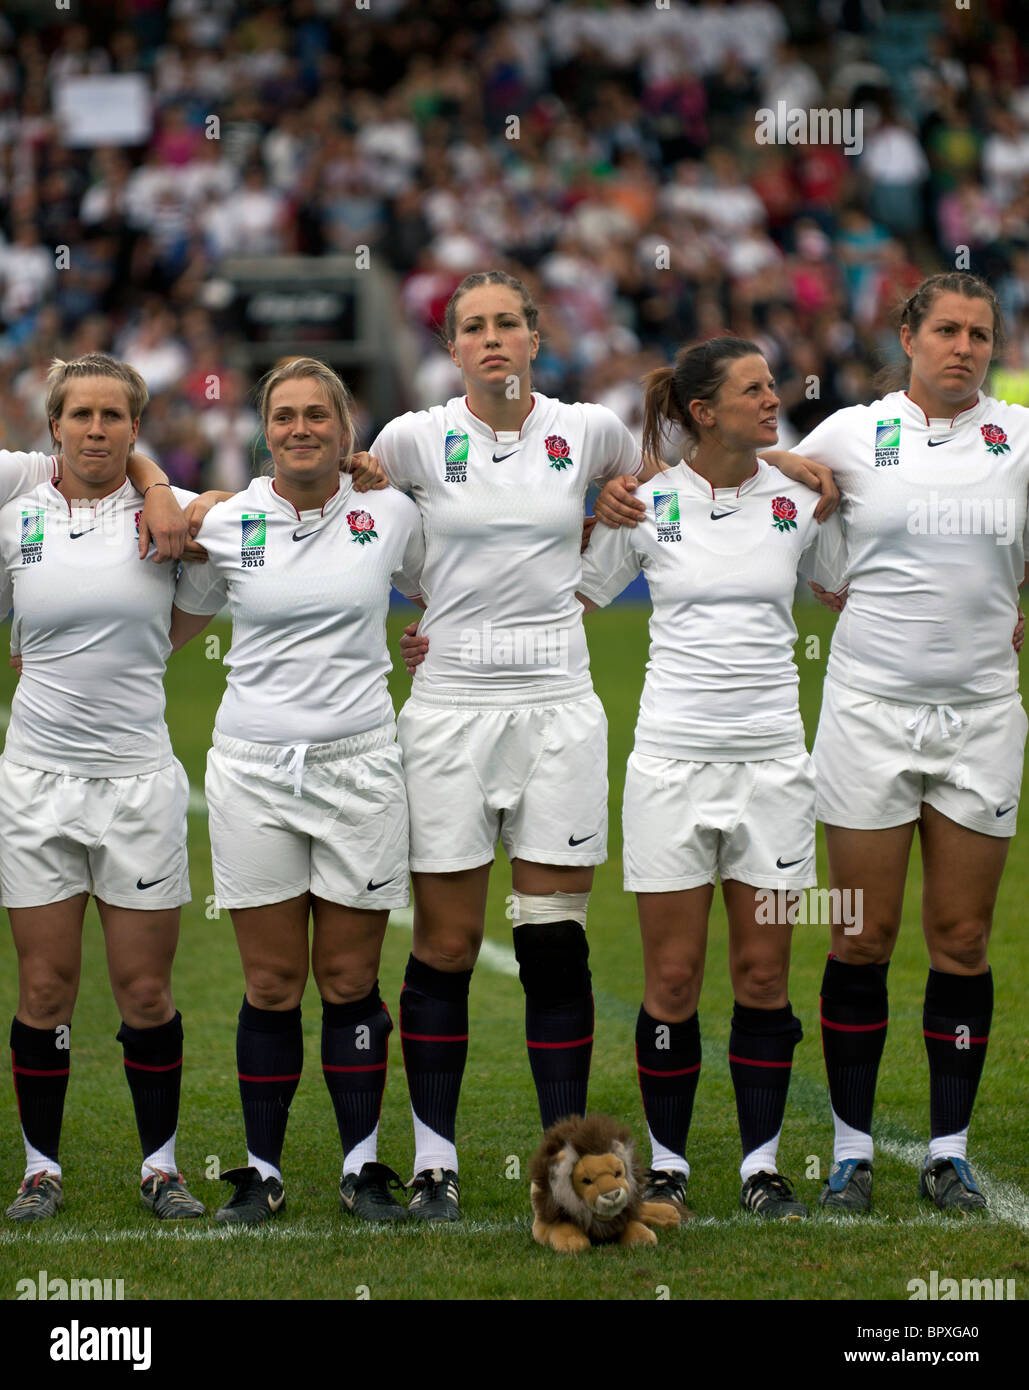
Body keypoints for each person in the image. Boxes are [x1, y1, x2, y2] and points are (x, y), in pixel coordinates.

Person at [372, 270, 836, 1221]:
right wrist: (425, 620)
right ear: (452, 346)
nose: (492, 337)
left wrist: (779, 465)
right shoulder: (410, 438)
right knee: (449, 945)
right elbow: (360, 520)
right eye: (473, 327)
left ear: (536, 337)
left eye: (508, 322)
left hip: (558, 707)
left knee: (553, 945)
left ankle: (567, 1170)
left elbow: (659, 484)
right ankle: (433, 1163)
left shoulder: (588, 432)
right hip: (450, 704)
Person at [596, 272, 1027, 1215]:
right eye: (945, 329)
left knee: (959, 939)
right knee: (858, 935)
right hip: (865, 714)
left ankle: (946, 1152)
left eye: (980, 333)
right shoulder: (844, 436)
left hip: (984, 714)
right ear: (907, 337)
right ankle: (848, 1151)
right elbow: (776, 496)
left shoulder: (1020, 441)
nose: (964, 347)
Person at [578, 337, 847, 1219]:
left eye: (774, 385)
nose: (773, 399)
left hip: (773, 766)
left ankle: (761, 1167)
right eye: (754, 390)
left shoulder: (801, 501)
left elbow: (852, 589)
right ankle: (667, 1163)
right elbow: (571, 599)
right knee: (673, 979)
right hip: (668, 767)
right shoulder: (643, 505)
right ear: (702, 410)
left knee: (764, 978)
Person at [170, 357, 424, 1226]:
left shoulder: (391, 513)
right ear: (264, 428)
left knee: (351, 978)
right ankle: (260, 1173)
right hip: (252, 769)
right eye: (285, 416)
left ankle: (362, 1168)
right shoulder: (229, 520)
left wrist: (430, 641)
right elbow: (173, 618)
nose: (302, 429)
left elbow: (449, 591)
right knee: (273, 982)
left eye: (319, 415)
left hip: (359, 764)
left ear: (346, 429)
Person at [0, 353, 201, 1222]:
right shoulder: (15, 508)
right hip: (35, 782)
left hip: (137, 783)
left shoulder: (171, 519)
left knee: (144, 992)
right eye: (79, 415)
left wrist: (157, 486)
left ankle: (160, 1167)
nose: (95, 429)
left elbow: (187, 612)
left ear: (134, 426)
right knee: (44, 991)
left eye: (114, 417)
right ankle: (40, 1167)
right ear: (52, 429)